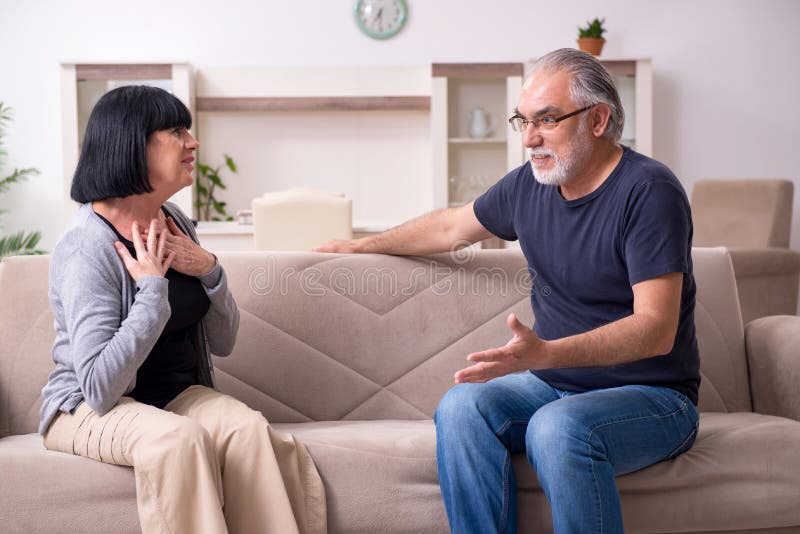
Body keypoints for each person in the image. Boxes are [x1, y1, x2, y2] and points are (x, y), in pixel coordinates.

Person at [316, 48, 700, 534]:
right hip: (555, 383)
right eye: (523, 120)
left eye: (548, 119)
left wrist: (545, 354)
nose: (529, 138)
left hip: (654, 396)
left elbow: (655, 330)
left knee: (558, 427)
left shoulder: (649, 191)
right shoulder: (529, 187)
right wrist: (361, 246)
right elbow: (451, 226)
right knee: (461, 407)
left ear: (598, 119)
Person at [40, 85, 324, 534]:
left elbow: (224, 342)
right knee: (179, 440)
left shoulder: (174, 219)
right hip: (85, 409)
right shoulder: (86, 246)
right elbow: (98, 387)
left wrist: (210, 269)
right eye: (176, 131)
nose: (193, 142)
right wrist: (152, 290)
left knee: (247, 430)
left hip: (173, 395)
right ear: (133, 144)